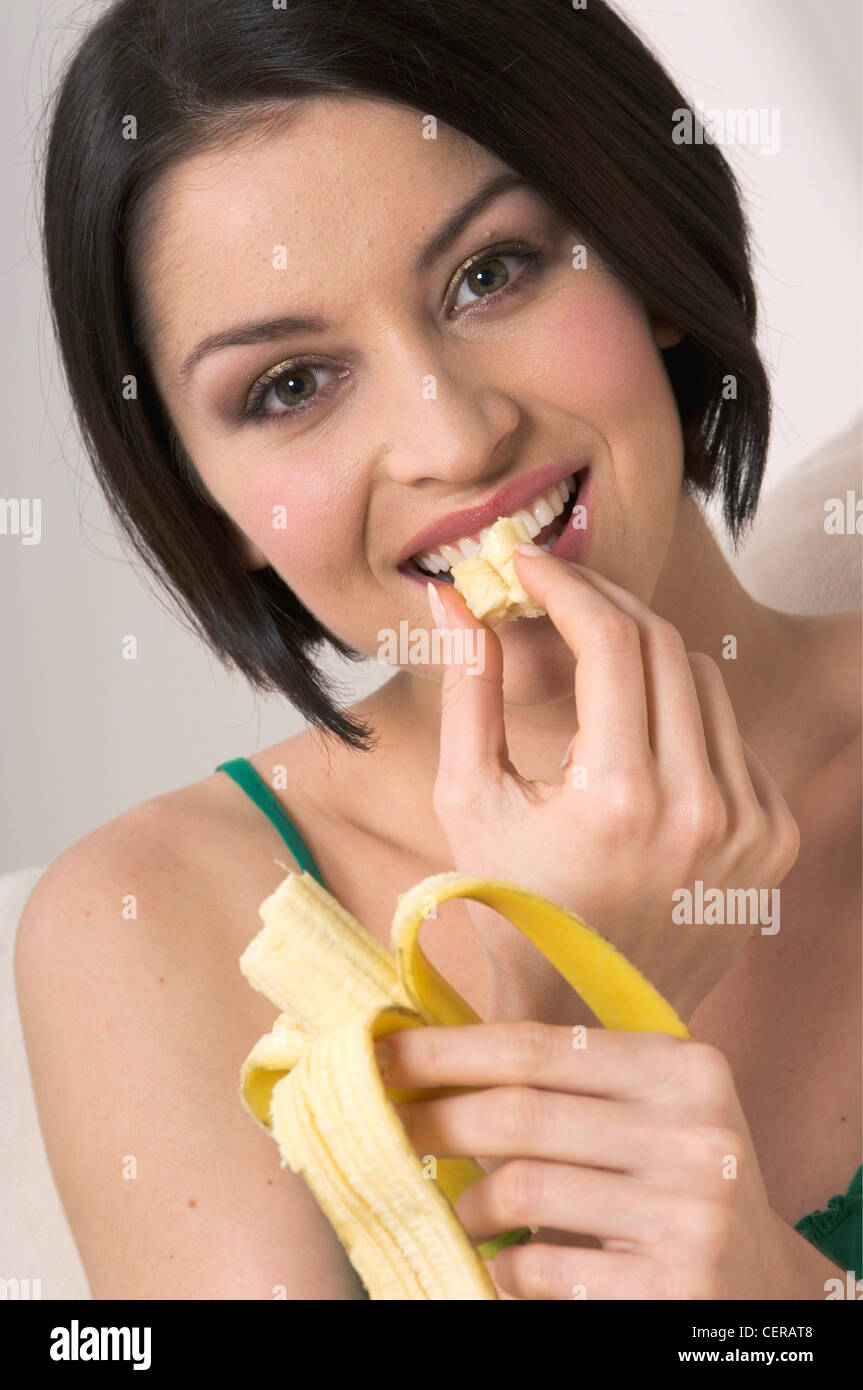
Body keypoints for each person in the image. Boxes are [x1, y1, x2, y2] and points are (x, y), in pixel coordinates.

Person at [16, 0, 860, 1300]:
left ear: (643, 251)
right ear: (205, 500)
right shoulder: (153, 925)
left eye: (493, 273)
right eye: (290, 384)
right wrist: (561, 1009)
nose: (453, 440)